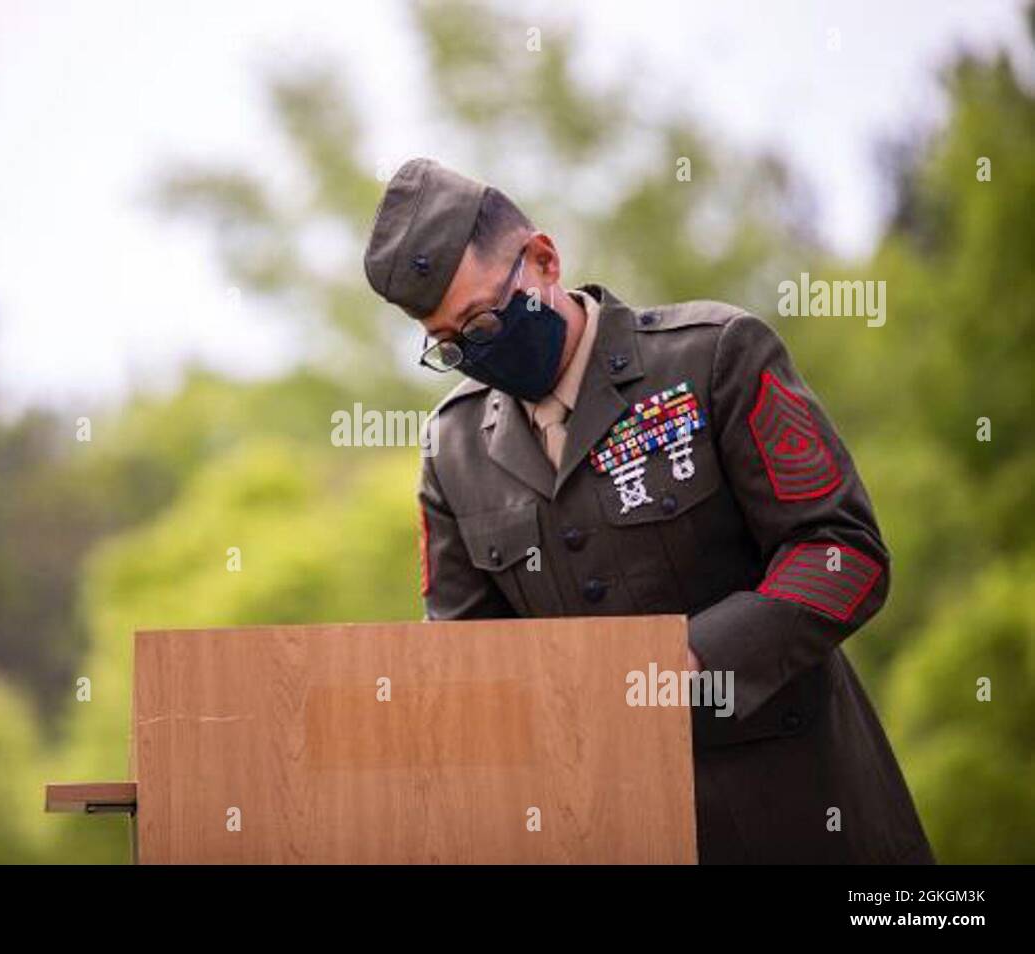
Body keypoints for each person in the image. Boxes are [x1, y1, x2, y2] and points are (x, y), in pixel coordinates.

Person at [362, 157, 934, 864]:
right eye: (449, 345)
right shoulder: (453, 452)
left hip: (803, 817)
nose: (476, 354)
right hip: (613, 834)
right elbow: (467, 666)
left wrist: (695, 659)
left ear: (543, 261)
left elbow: (843, 554)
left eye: (482, 322)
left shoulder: (712, 358)